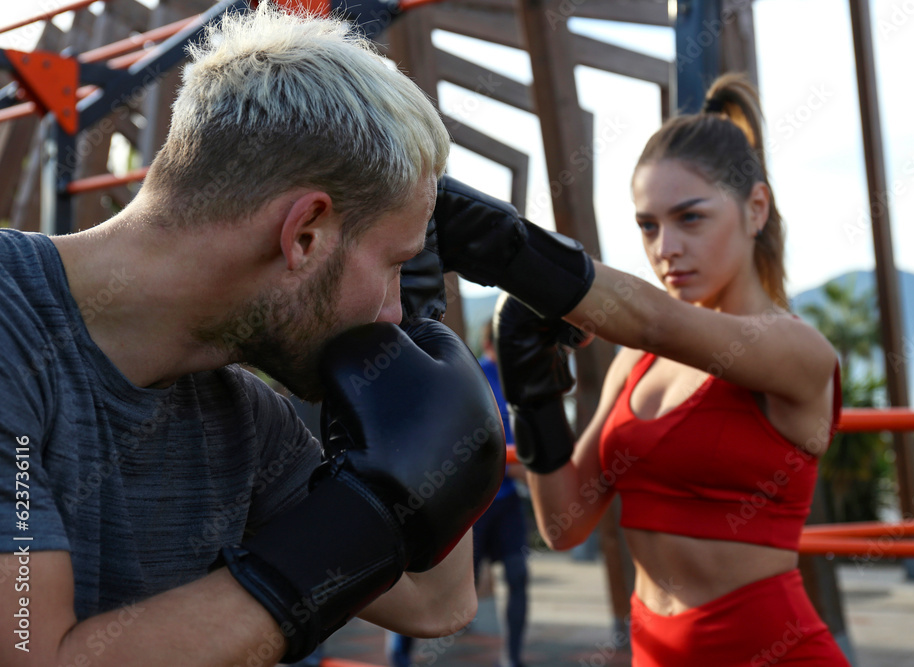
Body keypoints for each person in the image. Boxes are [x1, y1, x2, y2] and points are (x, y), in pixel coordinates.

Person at [0, 4, 518, 665]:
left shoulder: (242, 416)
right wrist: (351, 529)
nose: (392, 312)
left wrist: (439, 404)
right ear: (304, 233)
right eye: (394, 266)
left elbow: (435, 601)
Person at [493, 74, 852, 665]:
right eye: (648, 225)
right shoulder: (636, 362)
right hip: (652, 651)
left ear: (754, 208)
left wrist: (512, 254)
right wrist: (530, 389)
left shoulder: (796, 350)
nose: (666, 249)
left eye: (690, 219)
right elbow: (563, 523)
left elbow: (655, 320)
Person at [387, 320, 530, 667]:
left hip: (508, 499)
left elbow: (529, 447)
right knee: (431, 587)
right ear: (496, 345)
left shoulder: (523, 382)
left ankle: (512, 658)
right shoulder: (476, 378)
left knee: (518, 574)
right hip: (471, 505)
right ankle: (400, 656)